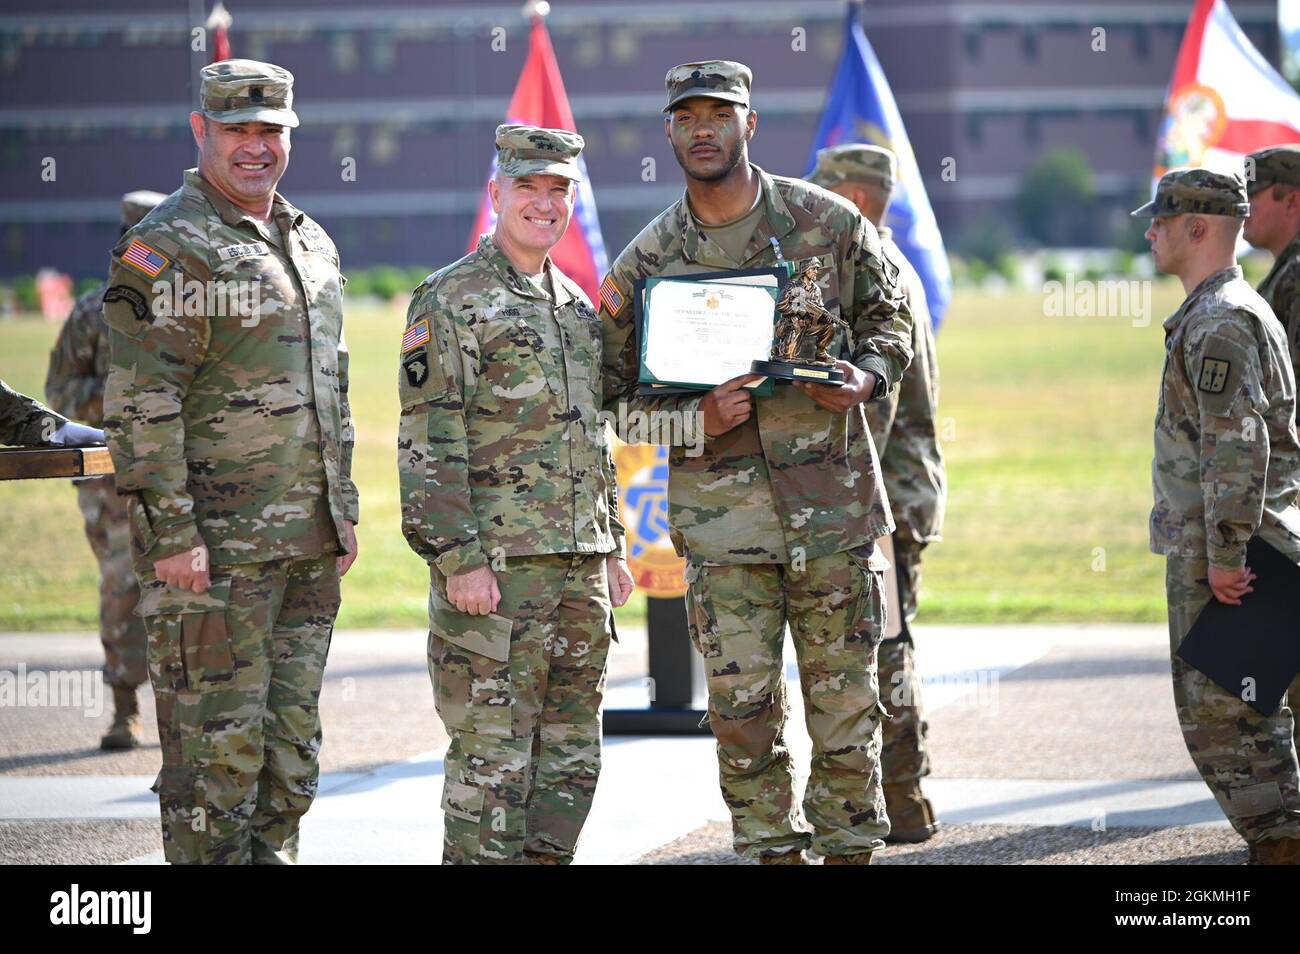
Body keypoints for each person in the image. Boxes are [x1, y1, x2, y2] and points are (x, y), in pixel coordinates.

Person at [599, 60, 913, 864]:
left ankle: (848, 850)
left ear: (751, 122)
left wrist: (867, 376)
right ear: (669, 131)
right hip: (722, 532)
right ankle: (770, 850)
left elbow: (891, 319)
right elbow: (611, 400)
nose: (703, 128)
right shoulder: (647, 260)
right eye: (687, 116)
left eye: (719, 113)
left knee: (847, 708)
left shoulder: (829, 222)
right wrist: (691, 420)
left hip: (832, 518)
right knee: (741, 715)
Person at [102, 59, 359, 864]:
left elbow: (332, 386)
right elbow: (144, 404)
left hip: (306, 550)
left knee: (289, 763)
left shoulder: (309, 240)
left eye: (271, 131)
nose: (257, 147)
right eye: (239, 130)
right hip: (212, 559)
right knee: (217, 772)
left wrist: (340, 511)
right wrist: (174, 535)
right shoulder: (167, 247)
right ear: (201, 131)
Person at [399, 124, 633, 865]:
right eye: (527, 187)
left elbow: (593, 436)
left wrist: (615, 546)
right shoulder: (451, 298)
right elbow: (429, 438)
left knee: (570, 762)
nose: (544, 202)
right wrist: (458, 556)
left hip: (579, 572)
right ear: (496, 193)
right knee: (492, 767)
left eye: (558, 188)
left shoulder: (574, 306)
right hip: (497, 577)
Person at [1135, 167, 1300, 864]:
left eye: (1162, 220)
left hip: (1243, 558)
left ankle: (1281, 846)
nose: (1150, 232)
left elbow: (1237, 443)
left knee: (1228, 726)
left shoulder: (1222, 319)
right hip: (1261, 546)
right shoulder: (1228, 308)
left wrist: (1226, 557)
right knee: (1252, 717)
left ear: (1197, 228)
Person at [808, 143, 947, 843]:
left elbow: (872, 411)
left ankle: (901, 798)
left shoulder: (873, 274)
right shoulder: (888, 264)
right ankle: (903, 798)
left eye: (823, 192)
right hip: (893, 496)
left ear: (854, 200)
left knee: (882, 645)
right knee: (886, 641)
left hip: (880, 503)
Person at [45, 190, 165, 749]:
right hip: (110, 478)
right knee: (123, 586)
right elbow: (58, 396)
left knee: (190, 589)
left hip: (183, 476)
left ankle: (189, 712)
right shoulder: (93, 313)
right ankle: (124, 708)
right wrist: (125, 395)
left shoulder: (196, 307)